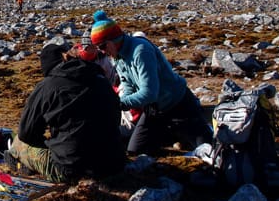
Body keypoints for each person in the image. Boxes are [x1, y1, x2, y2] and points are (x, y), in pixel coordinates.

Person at [90, 10, 212, 156]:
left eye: (102, 47)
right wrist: (119, 101)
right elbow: (127, 84)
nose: (103, 52)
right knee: (135, 151)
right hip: (154, 109)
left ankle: (184, 129)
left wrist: (119, 104)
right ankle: (171, 133)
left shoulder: (140, 51)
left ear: (112, 41)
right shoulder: (118, 56)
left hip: (177, 104)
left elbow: (149, 93)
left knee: (209, 148)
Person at [5, 43, 126, 183]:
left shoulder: (48, 85)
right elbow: (116, 118)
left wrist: (49, 142)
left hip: (71, 170)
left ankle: (18, 160)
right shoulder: (100, 79)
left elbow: (26, 133)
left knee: (18, 142)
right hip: (114, 164)